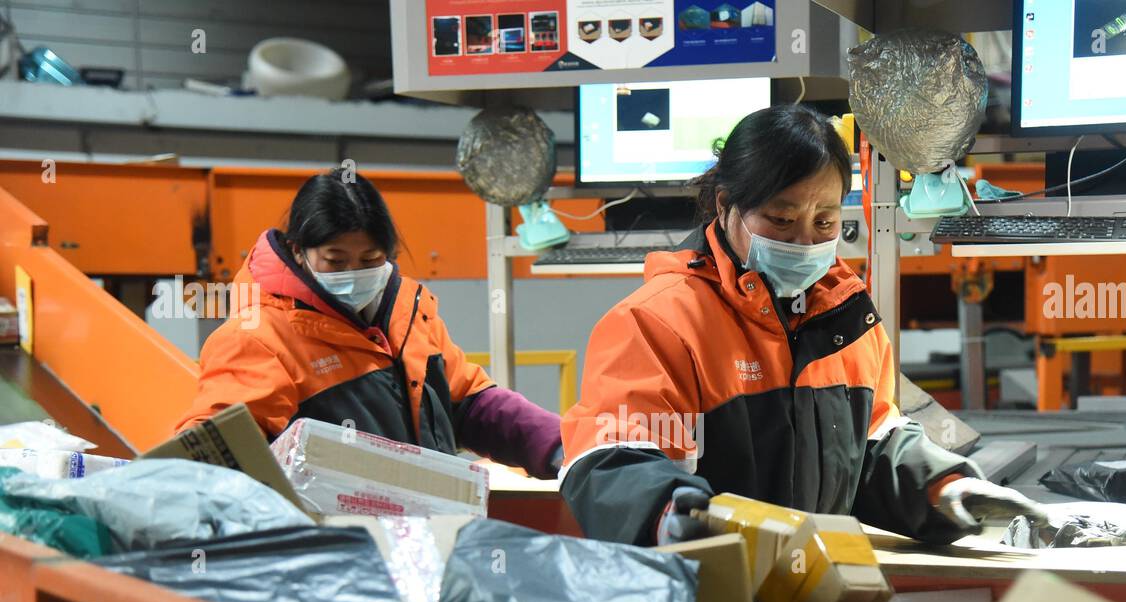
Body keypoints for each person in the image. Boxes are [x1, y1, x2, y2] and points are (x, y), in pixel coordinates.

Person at [560, 105, 1046, 545]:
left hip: (811, 592)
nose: (803, 240)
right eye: (781, 218)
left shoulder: (848, 319)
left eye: (825, 221)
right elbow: (612, 463)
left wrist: (946, 488)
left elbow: (872, 445)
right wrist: (674, 515)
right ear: (727, 205)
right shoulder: (657, 323)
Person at [177, 168, 562, 478]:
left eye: (369, 259)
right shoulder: (258, 337)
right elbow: (215, 447)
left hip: (428, 529)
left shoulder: (409, 315)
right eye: (336, 260)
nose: (353, 272)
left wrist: (564, 447)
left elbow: (471, 404)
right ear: (298, 251)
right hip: (339, 551)